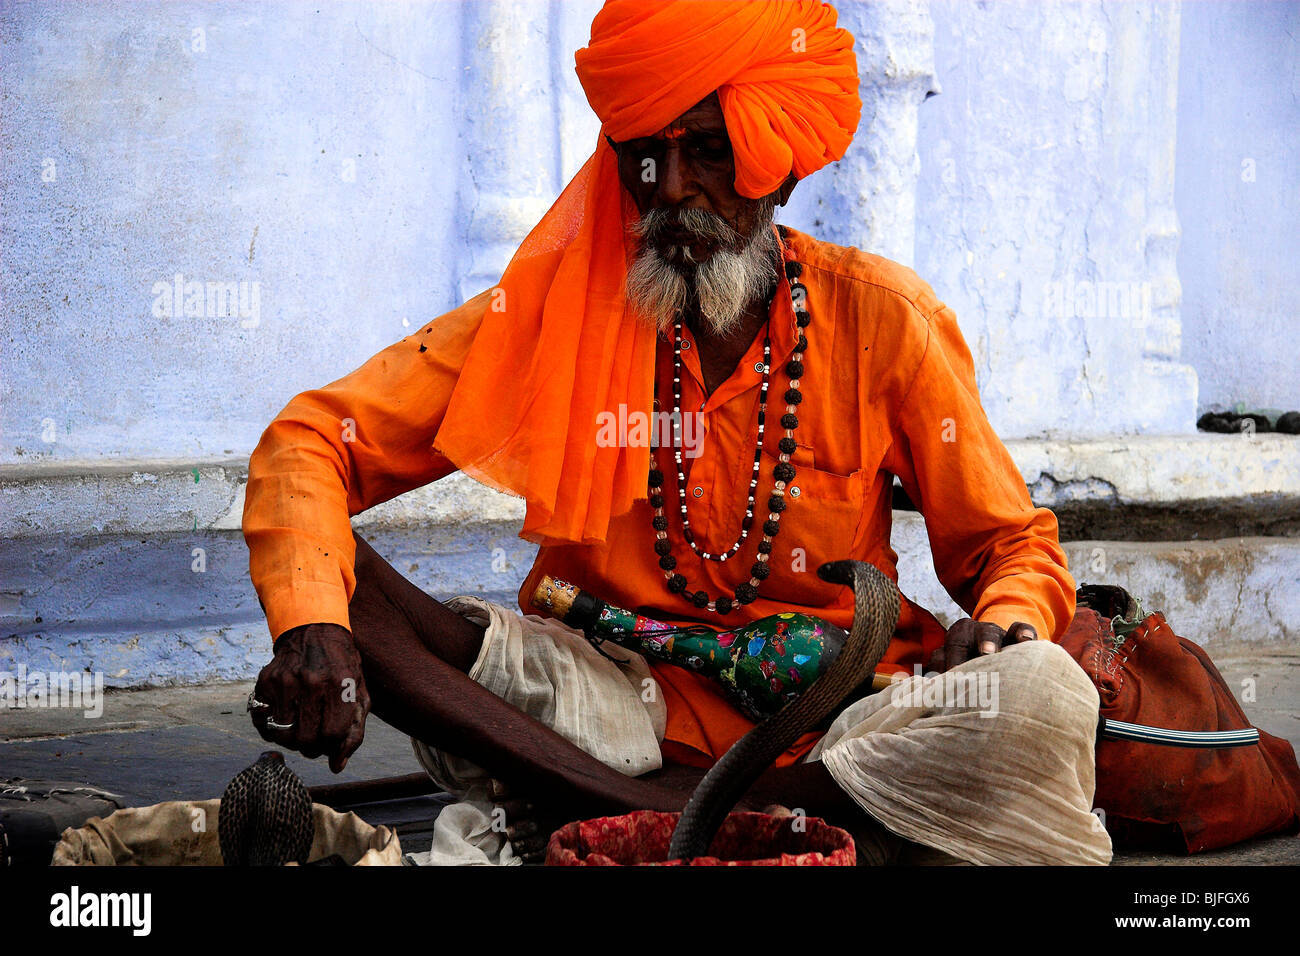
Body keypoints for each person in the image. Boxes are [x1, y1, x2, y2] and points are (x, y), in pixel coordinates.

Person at [242, 0, 1111, 865]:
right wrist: (312, 628)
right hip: (602, 706)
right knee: (337, 589)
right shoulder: (556, 312)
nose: (672, 188)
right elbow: (310, 440)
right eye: (645, 156)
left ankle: (635, 814)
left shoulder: (885, 321)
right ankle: (739, 822)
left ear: (783, 169)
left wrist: (1006, 626)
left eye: (707, 150)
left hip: (835, 717)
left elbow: (1011, 545)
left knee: (1040, 696)